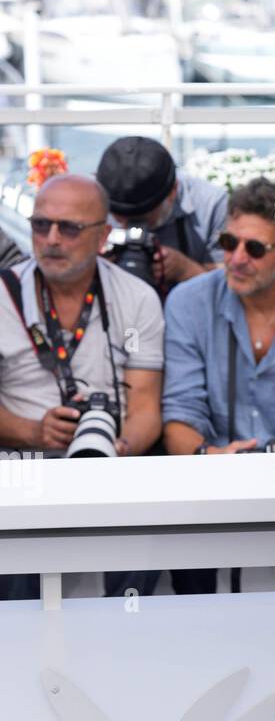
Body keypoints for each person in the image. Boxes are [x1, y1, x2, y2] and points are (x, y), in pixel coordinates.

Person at [160, 177, 275, 592]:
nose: (236, 258)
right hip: (207, 489)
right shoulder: (188, 301)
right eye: (228, 242)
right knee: (196, 603)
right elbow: (180, 412)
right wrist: (210, 457)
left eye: (255, 248)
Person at [0, 174, 164, 600]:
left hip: (112, 473)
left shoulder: (136, 297)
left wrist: (117, 448)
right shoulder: (3, 294)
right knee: (16, 595)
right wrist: (32, 431)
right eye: (40, 225)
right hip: (19, 471)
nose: (51, 239)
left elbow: (146, 408)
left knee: (134, 580)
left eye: (69, 227)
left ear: (103, 235)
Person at [96, 137, 227, 295]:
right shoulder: (85, 201)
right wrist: (95, 266)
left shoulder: (210, 205)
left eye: (142, 219)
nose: (129, 225)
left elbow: (227, 291)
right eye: (119, 216)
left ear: (173, 192)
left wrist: (186, 270)